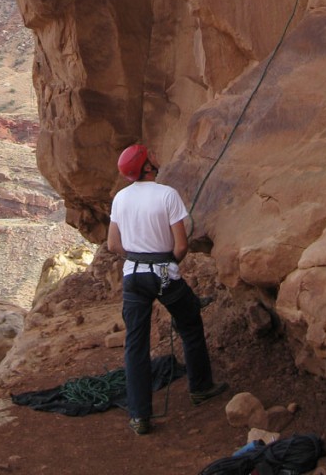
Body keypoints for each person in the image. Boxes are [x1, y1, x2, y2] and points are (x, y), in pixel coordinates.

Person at [107, 144, 227, 436]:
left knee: (136, 345)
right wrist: (167, 264)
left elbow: (113, 245)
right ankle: (200, 388)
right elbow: (181, 245)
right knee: (189, 323)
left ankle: (139, 416)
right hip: (164, 275)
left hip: (133, 276)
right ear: (147, 167)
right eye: (150, 158)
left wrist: (139, 258)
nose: (155, 160)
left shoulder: (120, 199)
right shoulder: (167, 195)